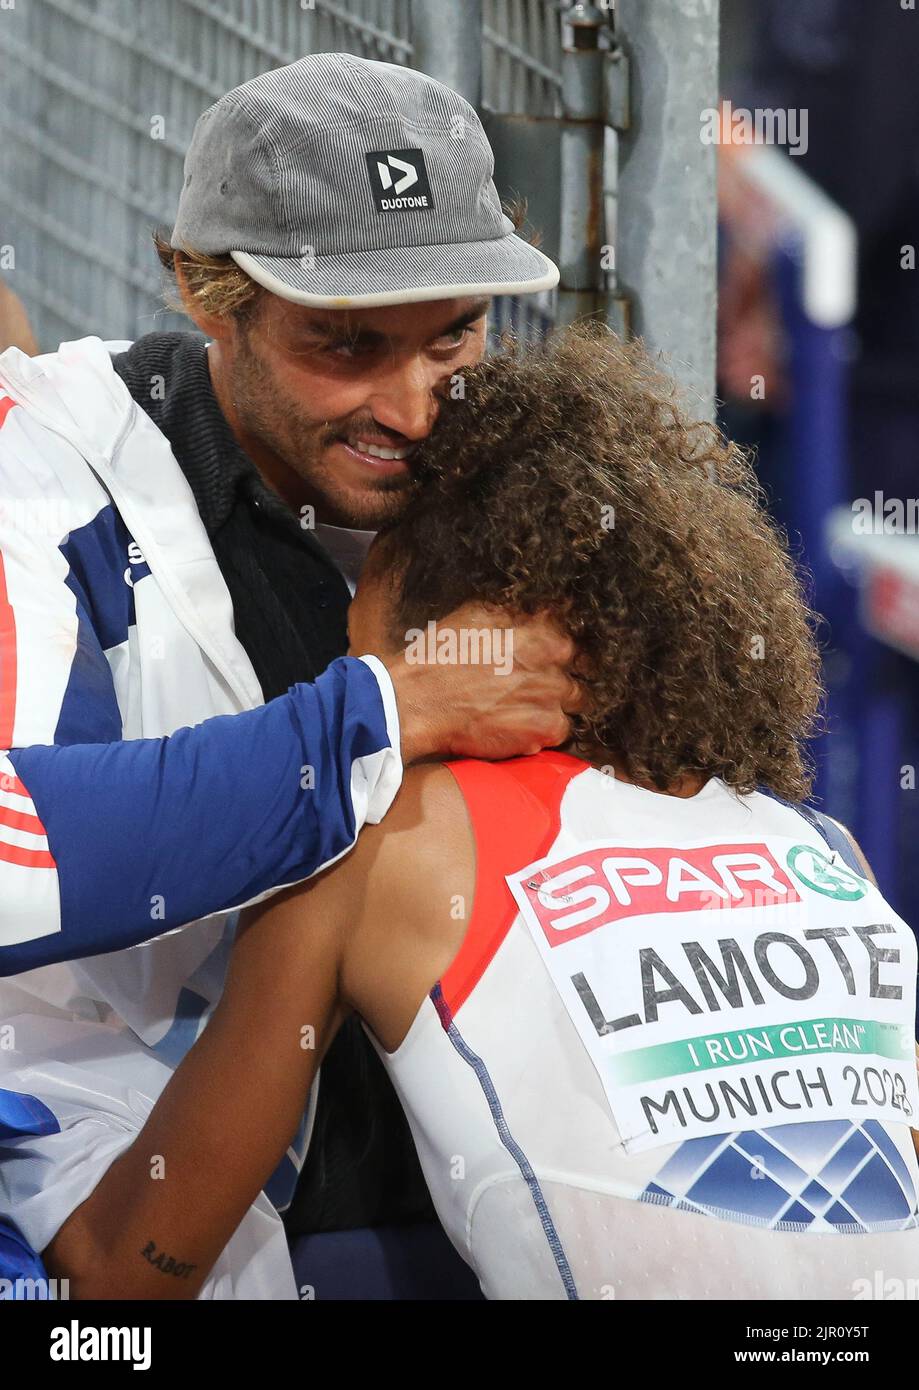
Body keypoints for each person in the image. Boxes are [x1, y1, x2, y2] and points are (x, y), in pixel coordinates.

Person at [42, 325, 919, 1300]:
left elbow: (128, 1270)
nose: (340, 624)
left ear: (451, 622)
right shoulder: (827, 851)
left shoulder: (373, 840)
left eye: (363, 575)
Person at [0, 51, 577, 1262]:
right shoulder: (48, 465)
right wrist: (378, 716)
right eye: (349, 345)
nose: (413, 410)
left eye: (453, 338)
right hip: (146, 1199)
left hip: (493, 1210)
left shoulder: (542, 484)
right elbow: (13, 853)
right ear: (207, 290)